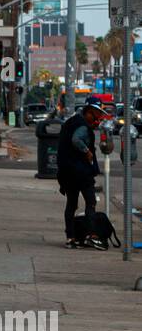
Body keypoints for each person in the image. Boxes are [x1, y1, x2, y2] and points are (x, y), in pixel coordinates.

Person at [56, 101, 105, 247]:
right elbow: (76, 140)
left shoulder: (71, 122)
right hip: (81, 172)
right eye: (95, 116)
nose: (97, 120)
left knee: (71, 204)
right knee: (91, 202)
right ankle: (91, 234)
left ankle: (70, 237)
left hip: (67, 171)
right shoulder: (82, 125)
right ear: (88, 112)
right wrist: (87, 151)